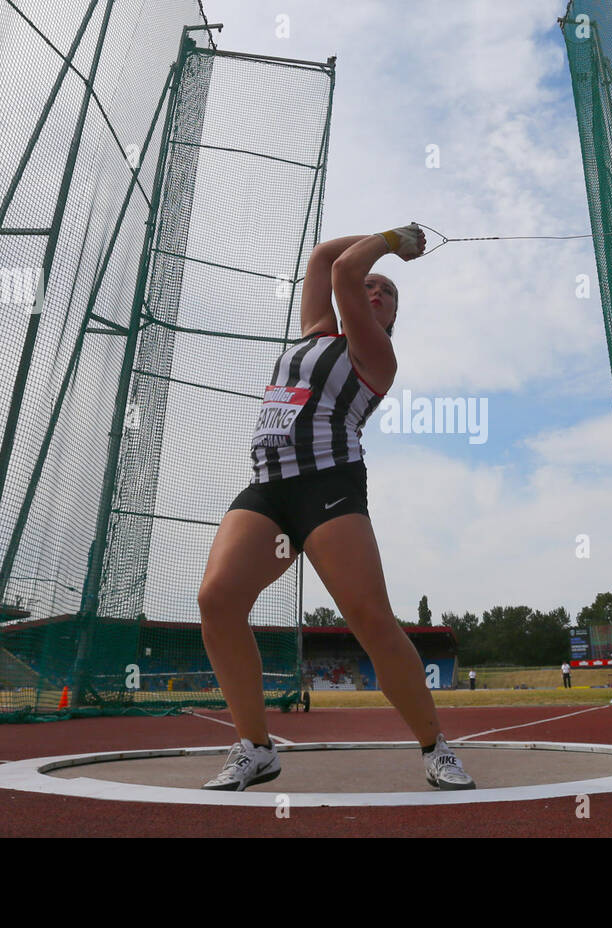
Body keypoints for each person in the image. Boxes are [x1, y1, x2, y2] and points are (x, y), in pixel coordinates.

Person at [197, 223, 475, 791]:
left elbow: (345, 270)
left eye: (388, 292)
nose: (375, 291)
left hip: (328, 485)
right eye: (371, 287)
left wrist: (397, 241)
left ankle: (434, 746)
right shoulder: (315, 331)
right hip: (268, 488)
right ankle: (255, 748)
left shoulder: (374, 353)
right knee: (218, 599)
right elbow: (328, 256)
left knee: (371, 619)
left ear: (393, 318)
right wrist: (387, 239)